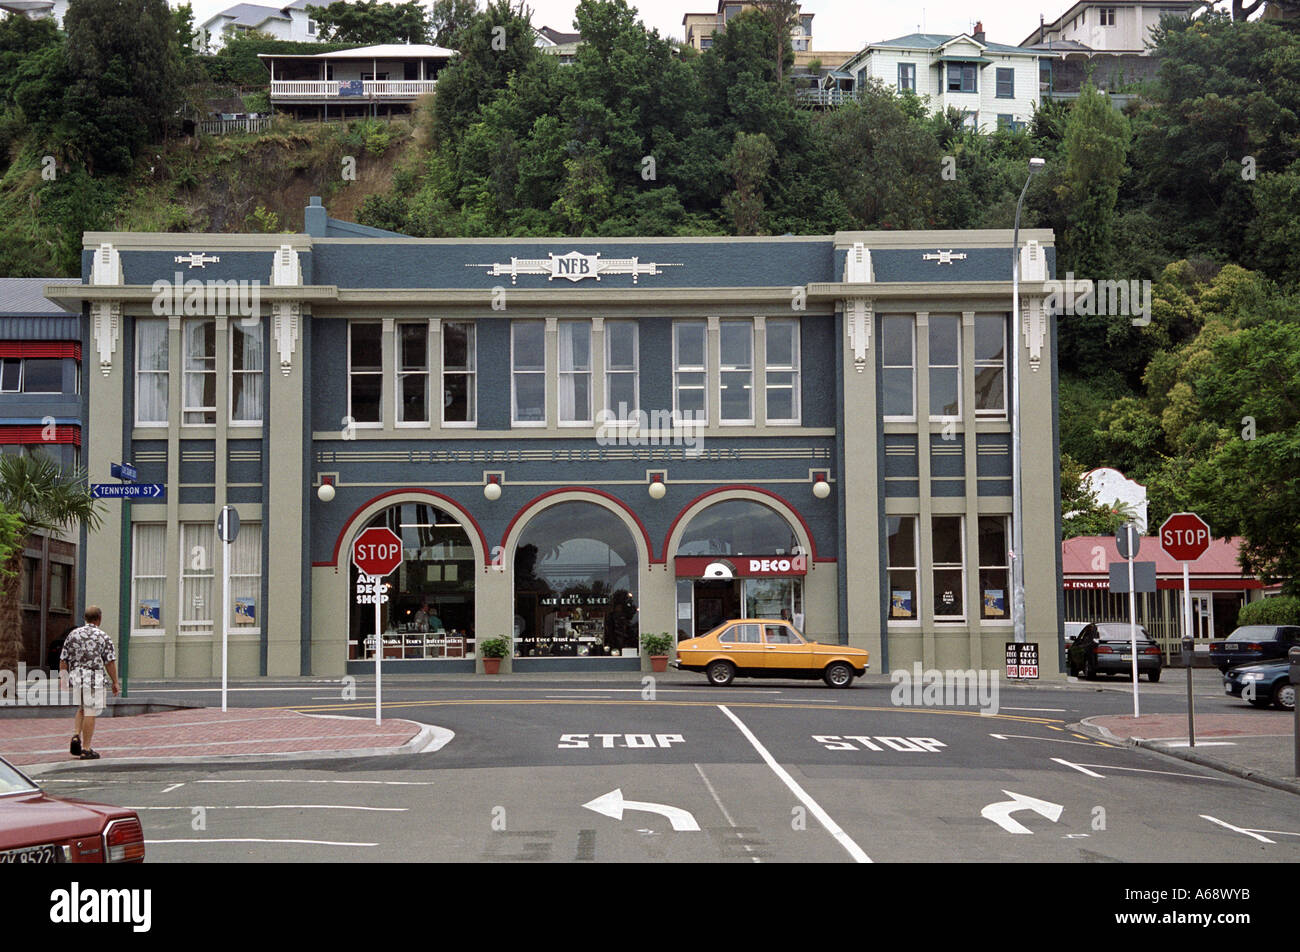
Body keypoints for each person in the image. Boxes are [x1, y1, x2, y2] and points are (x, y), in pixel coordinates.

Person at [59, 606, 120, 760]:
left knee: (82, 708)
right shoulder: (102, 636)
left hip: (77, 677)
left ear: (85, 618)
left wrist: (64, 679)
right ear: (99, 618)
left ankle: (75, 735)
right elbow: (110, 662)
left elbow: (63, 659)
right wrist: (115, 682)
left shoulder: (73, 635)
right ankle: (86, 748)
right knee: (91, 711)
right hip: (94, 678)